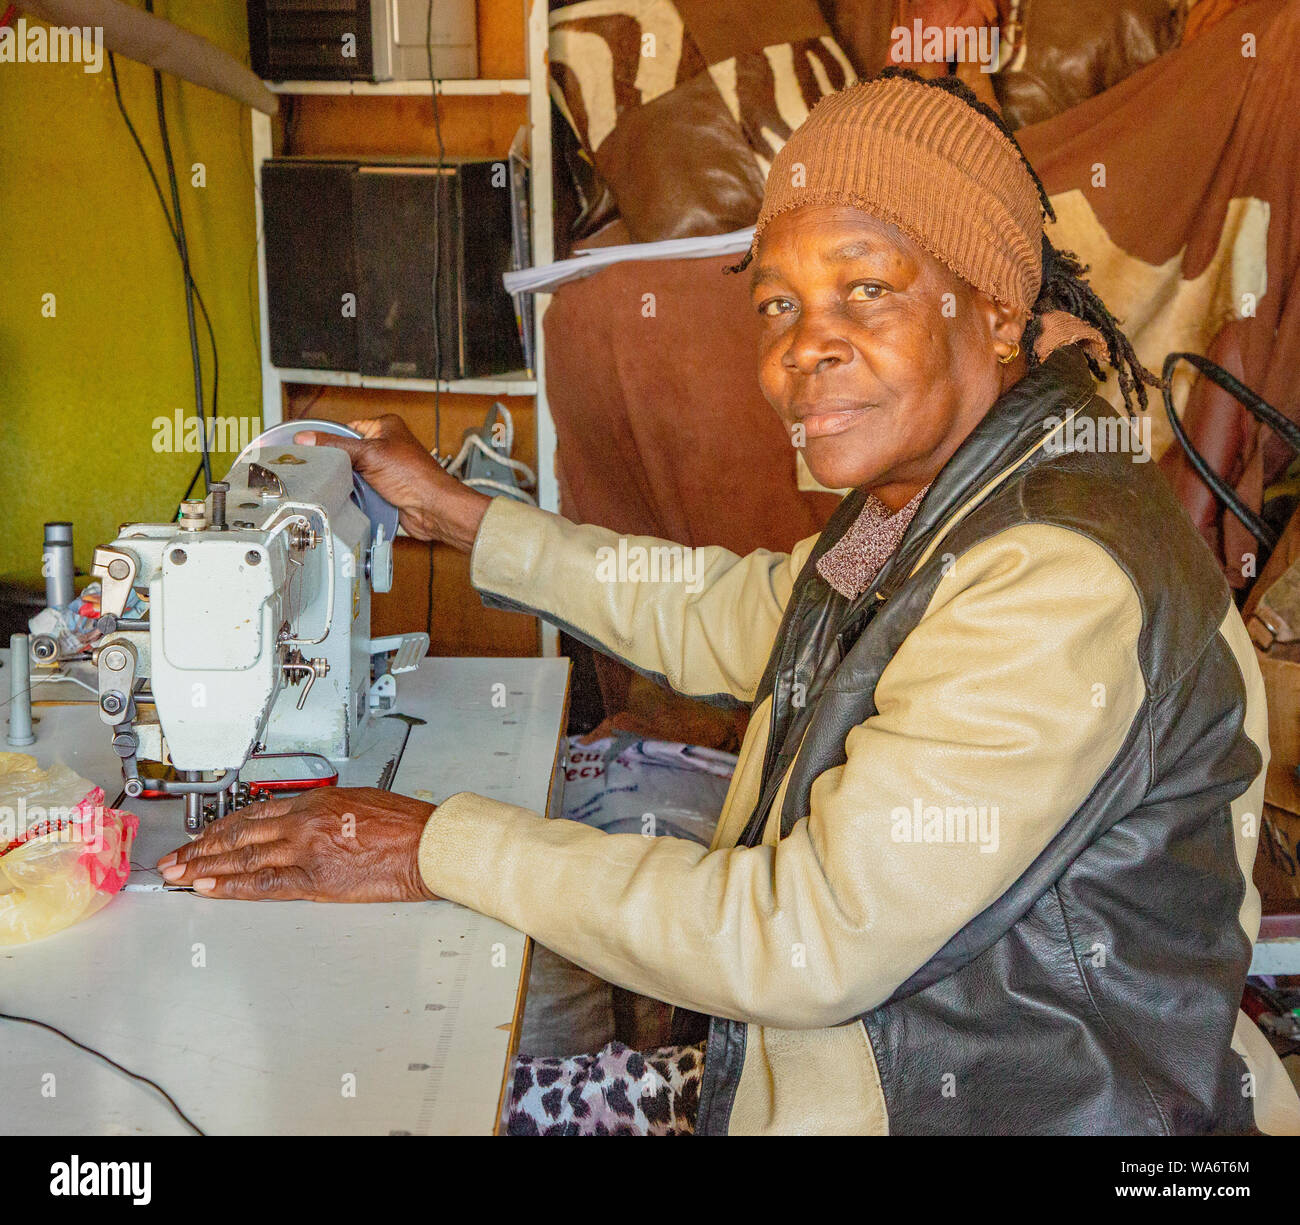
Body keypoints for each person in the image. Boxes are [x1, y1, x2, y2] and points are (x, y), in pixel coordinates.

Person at [157, 71, 1300, 1136]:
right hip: (853, 1068)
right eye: (776, 305)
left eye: (866, 289)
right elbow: (738, 613)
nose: (806, 349)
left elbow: (804, 935)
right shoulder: (941, 498)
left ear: (996, 309)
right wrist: (465, 521)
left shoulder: (1053, 578)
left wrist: (435, 844)